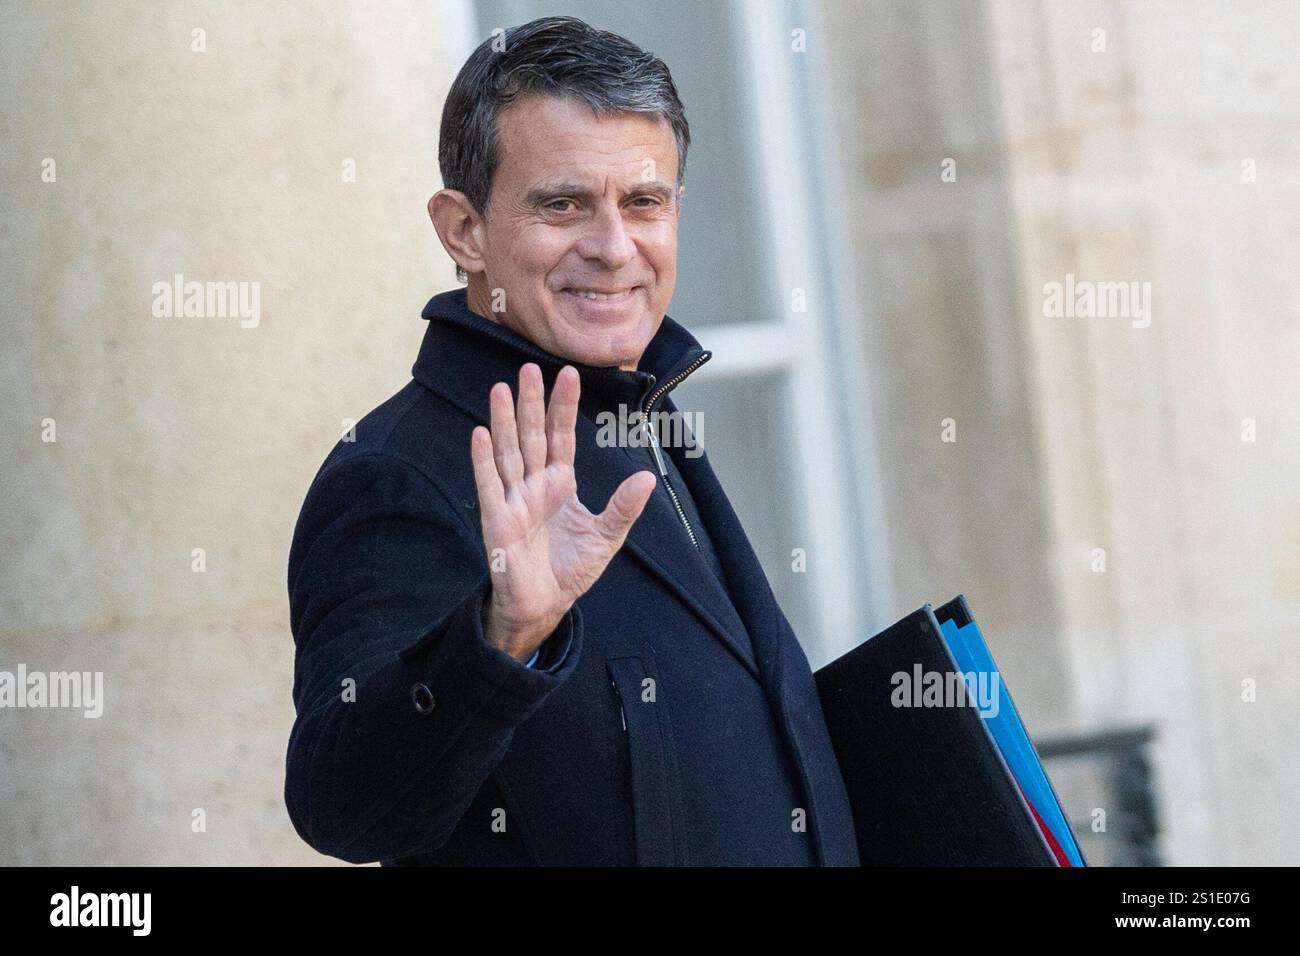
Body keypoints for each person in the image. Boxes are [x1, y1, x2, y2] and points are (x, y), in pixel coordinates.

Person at [284, 14, 858, 866]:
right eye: (563, 205)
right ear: (463, 231)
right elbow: (343, 811)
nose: (614, 247)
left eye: (644, 202)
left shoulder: (640, 410)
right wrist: (500, 637)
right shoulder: (394, 474)